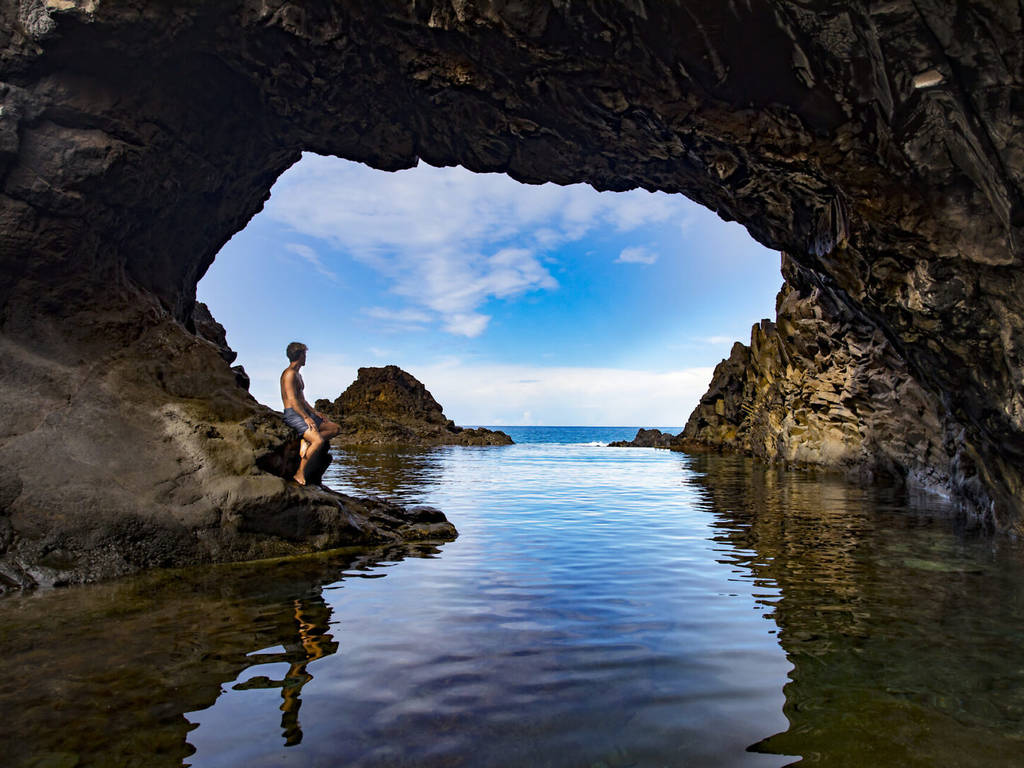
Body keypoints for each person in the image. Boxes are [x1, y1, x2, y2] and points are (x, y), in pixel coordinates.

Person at [280, 342, 340, 485]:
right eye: (304, 355)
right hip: (293, 414)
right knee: (318, 441)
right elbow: (293, 401)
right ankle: (299, 473)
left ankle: (307, 441)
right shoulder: (289, 374)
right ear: (299, 355)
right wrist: (306, 417)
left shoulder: (298, 374)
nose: (306, 357)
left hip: (303, 412)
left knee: (335, 428)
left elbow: (302, 399)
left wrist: (315, 412)